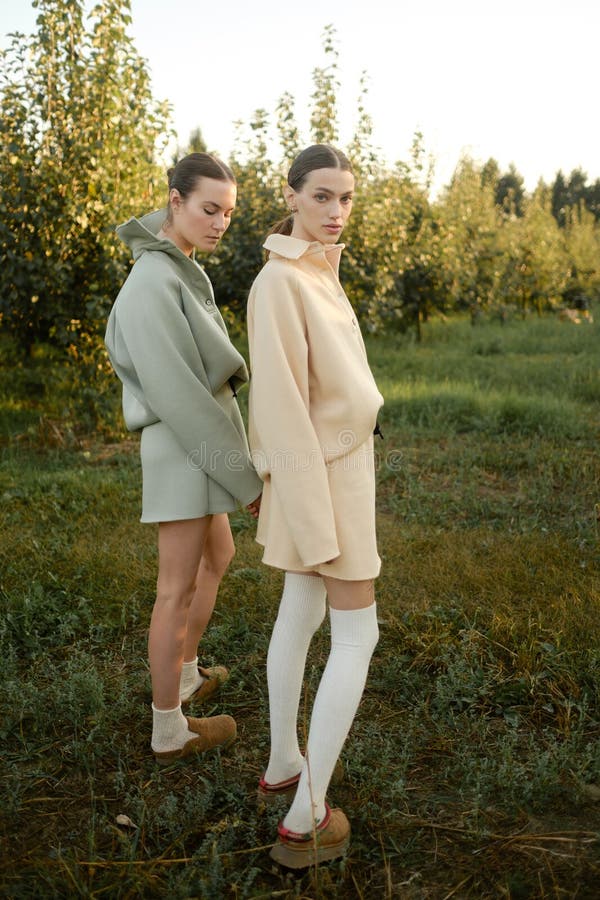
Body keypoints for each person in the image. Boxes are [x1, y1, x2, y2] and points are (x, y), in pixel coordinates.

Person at [246, 144, 384, 867]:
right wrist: (308, 514)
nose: (336, 212)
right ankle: (307, 814)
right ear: (292, 195)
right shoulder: (279, 283)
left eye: (346, 199)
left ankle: (282, 763)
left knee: (300, 612)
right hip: (322, 484)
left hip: (337, 472)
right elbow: (281, 408)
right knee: (359, 636)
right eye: (322, 196)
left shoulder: (317, 270)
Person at [105, 153, 262, 764]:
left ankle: (187, 672)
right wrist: (245, 480)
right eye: (208, 209)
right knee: (174, 586)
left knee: (217, 553)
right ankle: (168, 727)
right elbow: (179, 397)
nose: (220, 222)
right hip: (182, 447)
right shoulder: (152, 282)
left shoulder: (182, 269)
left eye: (227, 212)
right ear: (175, 201)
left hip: (197, 443)